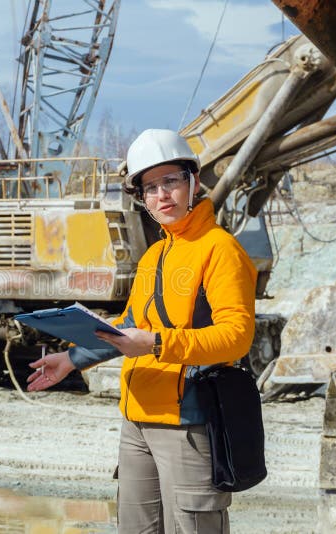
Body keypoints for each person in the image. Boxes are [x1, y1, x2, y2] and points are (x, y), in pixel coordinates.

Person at [26, 129, 257, 533]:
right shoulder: (154, 255)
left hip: (189, 422)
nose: (162, 195)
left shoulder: (220, 250)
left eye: (170, 181)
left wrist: (156, 343)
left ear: (193, 182)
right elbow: (131, 326)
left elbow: (236, 336)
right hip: (137, 422)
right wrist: (71, 359)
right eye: (150, 187)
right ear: (142, 198)